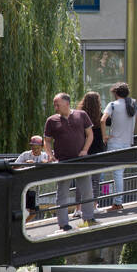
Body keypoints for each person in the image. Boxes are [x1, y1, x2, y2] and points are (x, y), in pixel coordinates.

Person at [43, 93, 98, 230]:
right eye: (54, 105)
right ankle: (63, 223)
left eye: (58, 105)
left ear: (67, 103)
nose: (55, 107)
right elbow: (47, 140)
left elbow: (90, 134)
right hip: (63, 162)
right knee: (62, 193)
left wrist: (85, 150)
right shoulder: (51, 120)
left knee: (87, 190)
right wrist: (50, 155)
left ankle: (88, 218)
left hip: (81, 160)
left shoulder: (81, 115)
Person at [102, 82, 137, 211]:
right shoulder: (133, 104)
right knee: (119, 172)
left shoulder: (112, 105)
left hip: (114, 142)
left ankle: (116, 202)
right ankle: (116, 201)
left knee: (110, 172)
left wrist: (104, 135)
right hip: (127, 143)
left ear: (116, 93)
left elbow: (102, 120)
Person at [16, 135, 50, 222]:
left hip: (35, 187)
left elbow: (51, 166)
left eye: (37, 148)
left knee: (34, 211)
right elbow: (14, 167)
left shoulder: (45, 156)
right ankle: (21, 226)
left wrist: (38, 164)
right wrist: (25, 164)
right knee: (26, 209)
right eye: (33, 148)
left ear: (42, 147)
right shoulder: (25, 155)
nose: (35, 150)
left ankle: (23, 225)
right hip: (24, 185)